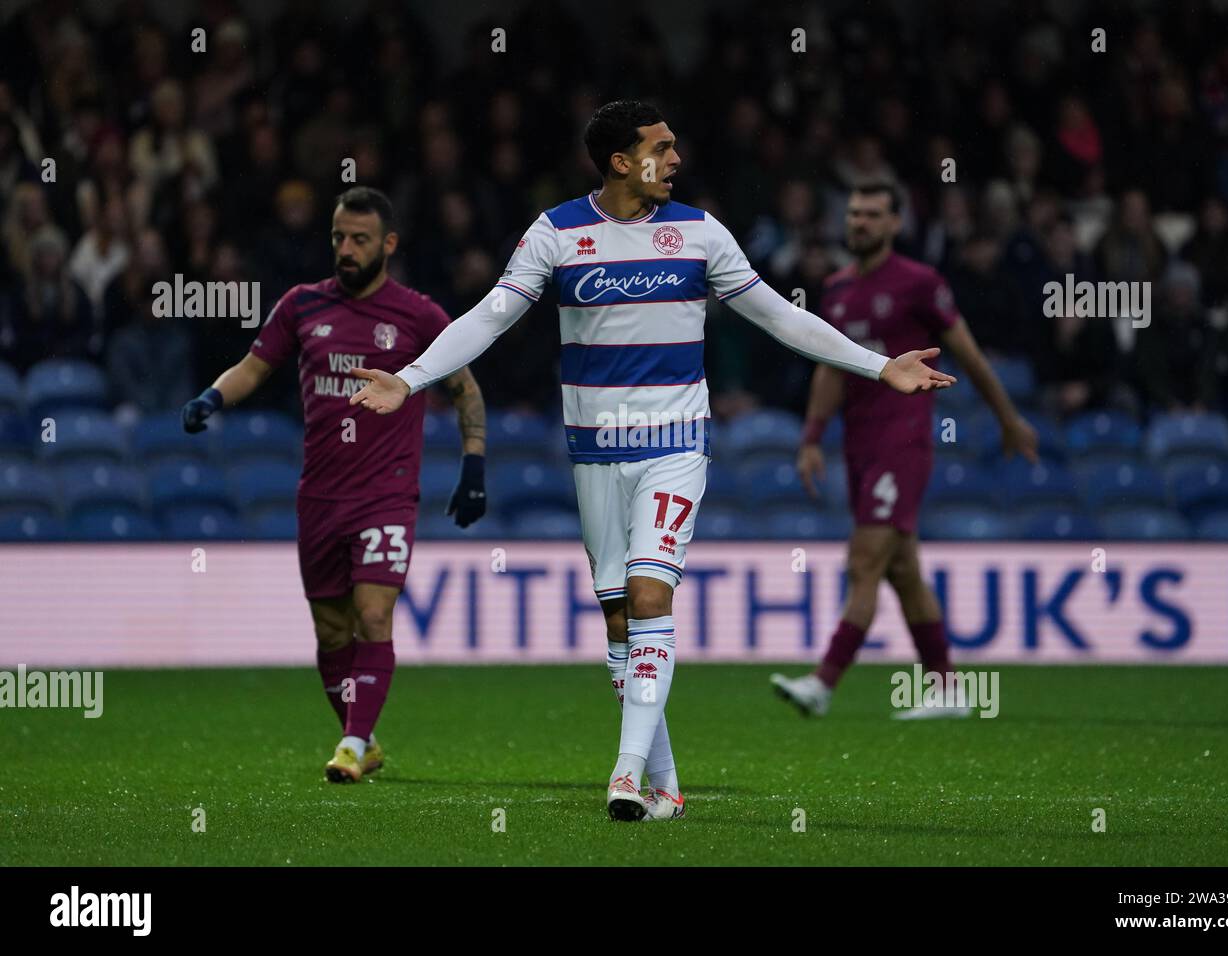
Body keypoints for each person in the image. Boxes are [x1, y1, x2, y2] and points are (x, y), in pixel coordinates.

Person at [347, 101, 954, 820]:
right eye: (660, 149)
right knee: (617, 624)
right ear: (619, 161)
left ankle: (627, 775)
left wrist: (879, 366)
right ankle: (666, 786)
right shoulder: (557, 233)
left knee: (648, 599)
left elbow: (780, 317)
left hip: (675, 443)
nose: (675, 160)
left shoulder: (699, 233)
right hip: (594, 453)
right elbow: (490, 316)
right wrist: (412, 377)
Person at [180, 187, 488, 782]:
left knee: (373, 616)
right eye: (338, 239)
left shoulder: (419, 315)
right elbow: (254, 365)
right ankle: (364, 739)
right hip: (319, 495)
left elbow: (465, 388)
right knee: (330, 631)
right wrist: (214, 396)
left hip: (386, 494)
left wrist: (473, 465)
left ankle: (348, 744)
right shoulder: (301, 306)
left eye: (360, 240)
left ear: (389, 245)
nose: (346, 250)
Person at [770, 179, 1038, 719]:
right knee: (903, 572)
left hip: (904, 444)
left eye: (872, 214)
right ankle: (950, 692)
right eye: (853, 214)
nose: (860, 223)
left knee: (865, 560)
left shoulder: (920, 283)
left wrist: (1008, 418)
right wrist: (811, 439)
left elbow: (968, 353)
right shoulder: (837, 290)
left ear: (896, 223)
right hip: (858, 446)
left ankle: (823, 683)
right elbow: (829, 367)